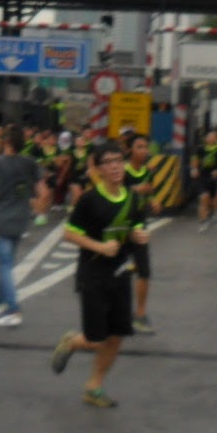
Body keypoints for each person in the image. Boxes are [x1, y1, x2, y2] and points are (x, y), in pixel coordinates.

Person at [51, 143, 149, 408]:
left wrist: (138, 234)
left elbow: (136, 226)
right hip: (93, 273)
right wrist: (99, 247)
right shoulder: (89, 199)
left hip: (120, 273)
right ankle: (72, 342)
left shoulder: (133, 197)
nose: (116, 166)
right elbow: (69, 234)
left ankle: (94, 387)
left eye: (119, 160)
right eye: (108, 162)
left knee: (117, 335)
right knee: (96, 339)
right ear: (98, 169)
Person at [0, 125, 49, 327]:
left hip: (1, 217)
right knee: (8, 262)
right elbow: (44, 192)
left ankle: (14, 309)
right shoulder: (30, 163)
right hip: (21, 218)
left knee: (4, 265)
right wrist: (39, 209)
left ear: (6, 142)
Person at [123, 133, 162, 332]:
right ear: (130, 149)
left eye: (145, 147)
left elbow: (149, 193)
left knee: (144, 270)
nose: (143, 151)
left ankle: (140, 314)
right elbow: (117, 194)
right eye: (139, 147)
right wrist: (139, 190)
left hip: (139, 226)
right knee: (116, 272)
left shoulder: (148, 172)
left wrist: (152, 201)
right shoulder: (121, 171)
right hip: (120, 227)